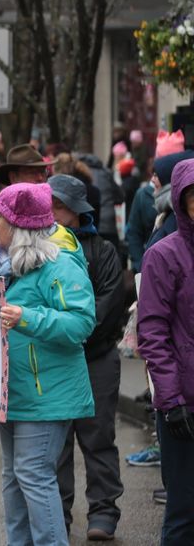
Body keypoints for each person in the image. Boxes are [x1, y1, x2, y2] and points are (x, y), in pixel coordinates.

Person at [0, 182, 96, 546]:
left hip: (45, 392)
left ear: (18, 227)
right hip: (13, 390)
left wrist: (27, 318)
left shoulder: (60, 265)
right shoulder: (3, 262)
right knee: (14, 475)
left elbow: (82, 323)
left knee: (32, 474)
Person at [48, 174, 126, 541]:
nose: (52, 213)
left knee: (97, 440)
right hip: (54, 363)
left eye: (59, 206)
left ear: (77, 211)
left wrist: (65, 330)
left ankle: (104, 511)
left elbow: (108, 306)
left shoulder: (104, 251)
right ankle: (57, 514)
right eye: (48, 205)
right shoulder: (38, 251)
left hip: (96, 359)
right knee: (55, 445)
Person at [137, 158, 194, 545]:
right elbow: (153, 331)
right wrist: (171, 399)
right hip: (184, 405)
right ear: (181, 201)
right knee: (184, 513)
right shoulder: (163, 254)